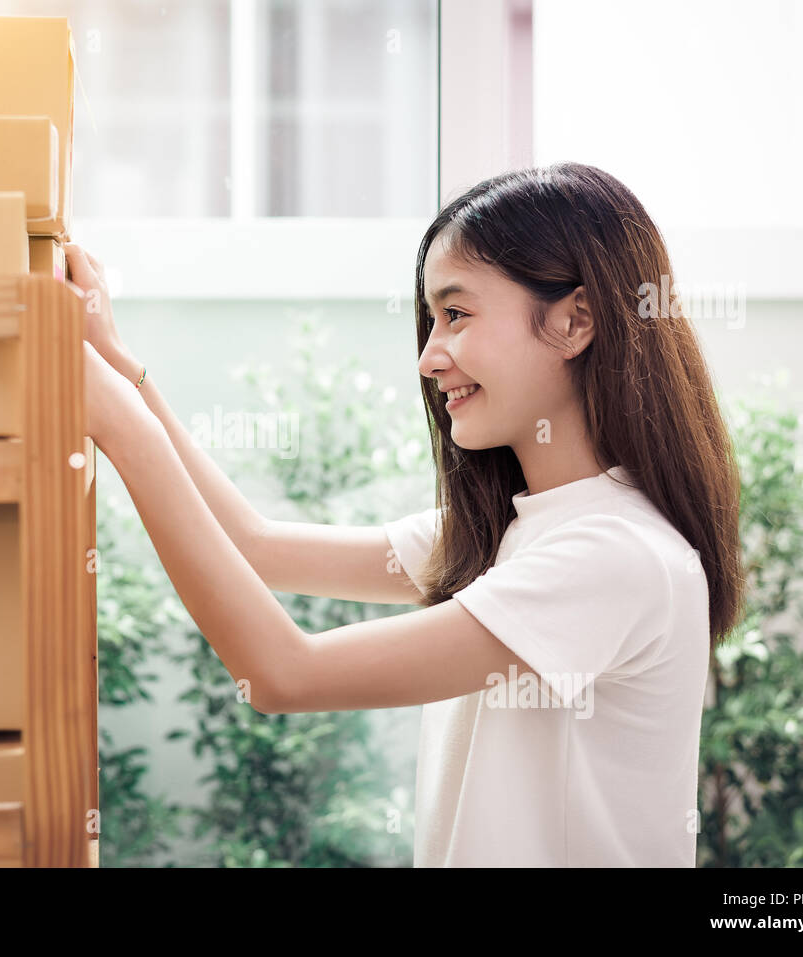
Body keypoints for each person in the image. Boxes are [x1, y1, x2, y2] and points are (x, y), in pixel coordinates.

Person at [69, 161, 745, 868]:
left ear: (575, 320)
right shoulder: (520, 529)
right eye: (430, 320)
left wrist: (121, 427)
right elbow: (254, 545)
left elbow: (283, 674)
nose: (428, 357)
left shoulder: (616, 555)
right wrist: (119, 367)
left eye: (455, 314)